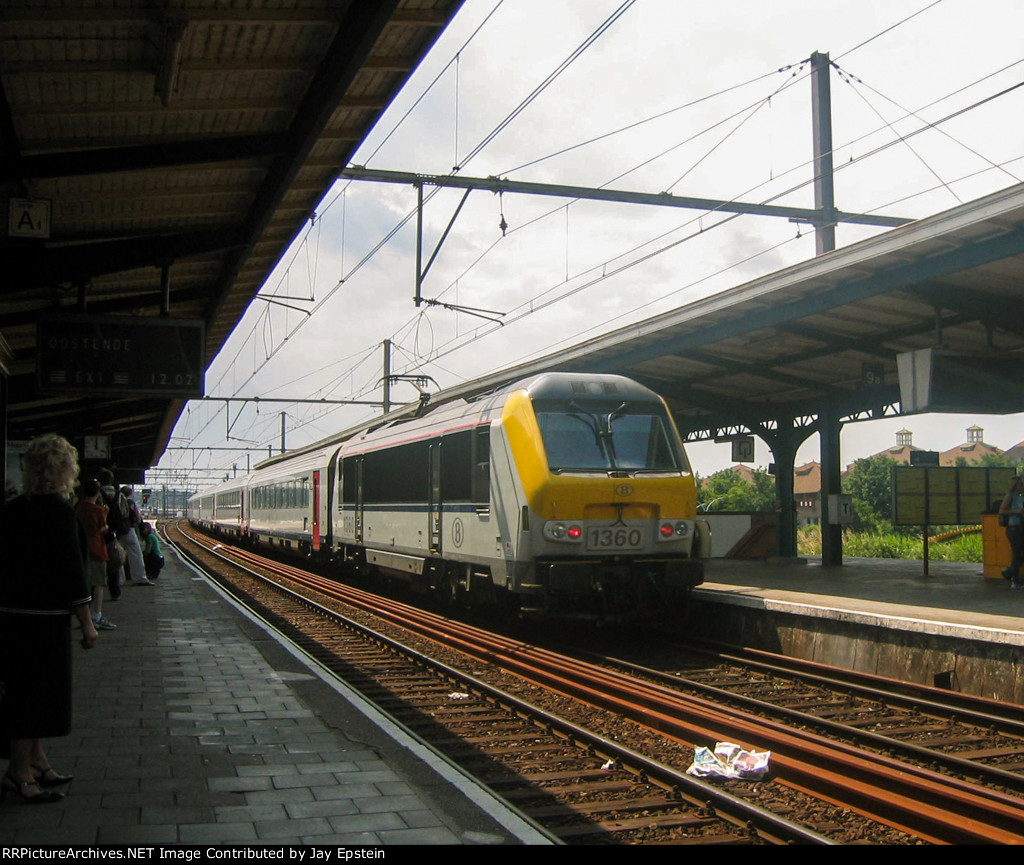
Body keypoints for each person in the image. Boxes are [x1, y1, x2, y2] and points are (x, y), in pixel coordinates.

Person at [0, 434, 98, 805]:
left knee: (24, 690)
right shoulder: (59, 512)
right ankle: (19, 774)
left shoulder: (12, 509)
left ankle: (38, 762)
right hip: (44, 622)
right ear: (64, 471)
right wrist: (87, 622)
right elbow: (71, 572)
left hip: (10, 618)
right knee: (34, 696)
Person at [75, 479, 116, 630]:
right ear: (97, 493)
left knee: (86, 584)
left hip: (82, 548)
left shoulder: (79, 507)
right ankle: (97, 616)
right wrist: (105, 519)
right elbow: (102, 529)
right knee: (99, 584)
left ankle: (85, 617)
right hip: (97, 549)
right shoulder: (99, 510)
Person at [1000, 476, 1024, 589]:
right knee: (1017, 553)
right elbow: (1002, 511)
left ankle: (1010, 571)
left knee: (1020, 553)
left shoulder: (1021, 498)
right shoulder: (1009, 497)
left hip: (1020, 527)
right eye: (1020, 485)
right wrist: (1016, 511)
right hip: (1013, 528)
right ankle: (1014, 578)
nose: (1022, 487)